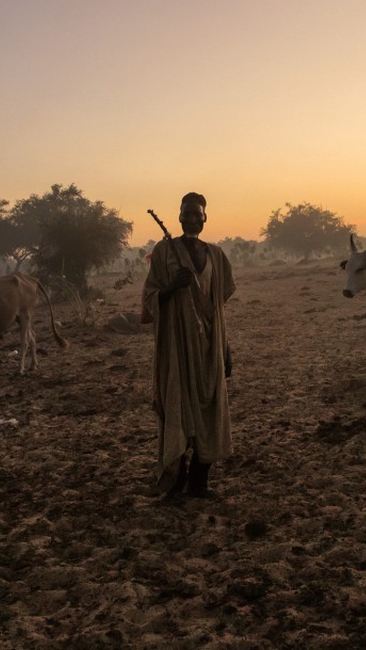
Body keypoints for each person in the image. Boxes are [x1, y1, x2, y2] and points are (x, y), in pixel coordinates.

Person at [143, 192, 236, 503]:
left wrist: (225, 347)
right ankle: (175, 483)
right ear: (178, 217)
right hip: (178, 348)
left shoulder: (217, 256)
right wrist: (171, 287)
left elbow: (218, 307)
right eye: (186, 213)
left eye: (197, 213)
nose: (192, 218)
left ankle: (199, 482)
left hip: (210, 349)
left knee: (211, 414)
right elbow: (148, 302)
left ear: (205, 217)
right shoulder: (164, 251)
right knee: (178, 411)